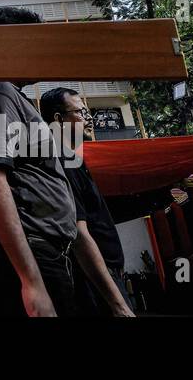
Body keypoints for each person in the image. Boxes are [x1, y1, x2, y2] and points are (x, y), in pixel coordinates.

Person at [0, 7, 77, 318]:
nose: (41, 54)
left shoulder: (10, 93)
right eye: (33, 43)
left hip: (36, 252)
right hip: (21, 256)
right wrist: (31, 280)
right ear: (10, 44)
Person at [39, 87, 135, 317]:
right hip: (95, 280)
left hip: (105, 275)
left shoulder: (73, 159)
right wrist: (118, 304)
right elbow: (79, 234)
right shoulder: (62, 162)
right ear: (59, 119)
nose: (90, 119)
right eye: (81, 112)